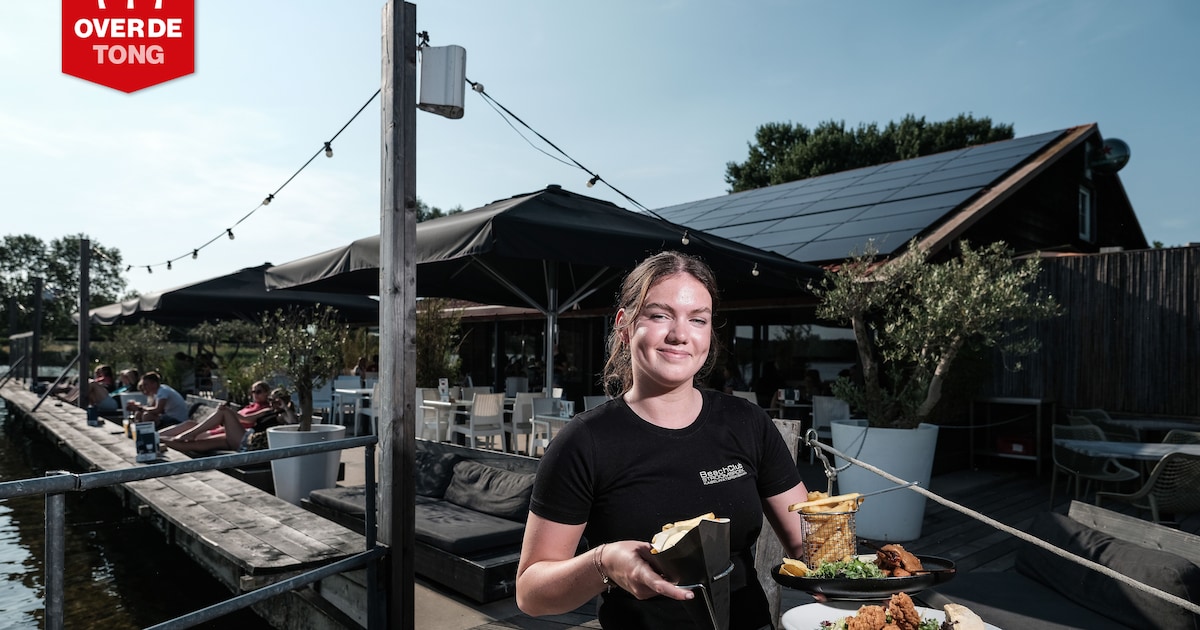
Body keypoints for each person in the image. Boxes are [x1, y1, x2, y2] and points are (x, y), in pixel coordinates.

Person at [516, 251, 808, 630]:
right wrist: (603, 563)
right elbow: (530, 594)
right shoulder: (585, 441)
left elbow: (809, 544)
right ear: (624, 325)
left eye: (697, 319)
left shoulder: (747, 422)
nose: (680, 334)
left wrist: (853, 581)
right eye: (659, 315)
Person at [160, 381, 287, 452]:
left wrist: (230, 412)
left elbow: (247, 420)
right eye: (253, 392)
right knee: (196, 444)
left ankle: (187, 434)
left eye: (258, 392)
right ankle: (156, 438)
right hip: (236, 435)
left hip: (243, 438)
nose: (255, 394)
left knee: (223, 412)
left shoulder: (271, 411)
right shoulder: (252, 407)